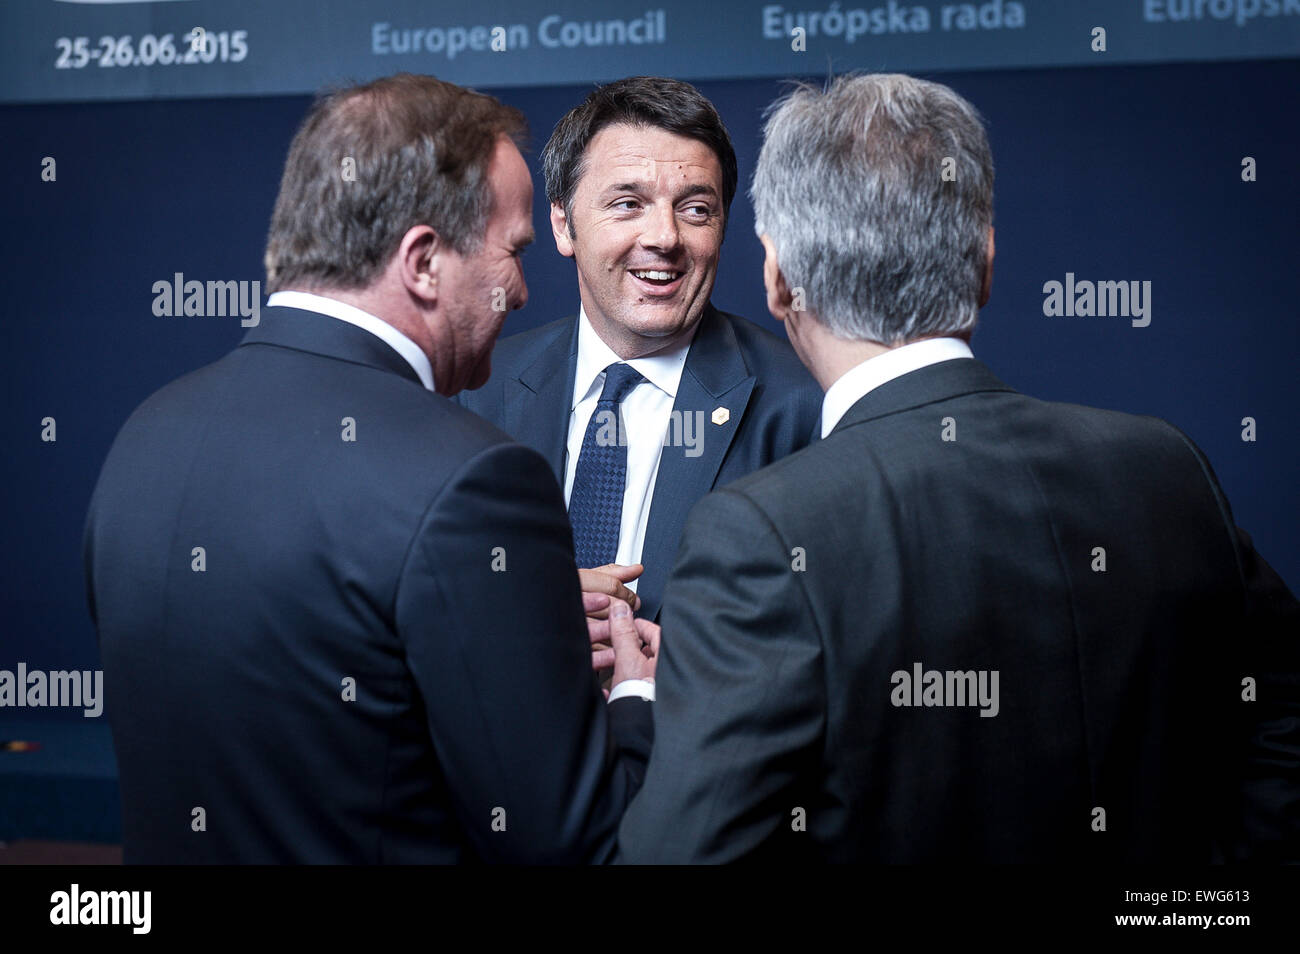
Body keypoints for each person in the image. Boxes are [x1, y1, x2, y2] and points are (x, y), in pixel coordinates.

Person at [617, 73, 1300, 863]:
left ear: (777, 279)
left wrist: (643, 704)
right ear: (985, 260)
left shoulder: (758, 536)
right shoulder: (1168, 469)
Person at [84, 73, 658, 865]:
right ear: (423, 262)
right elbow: (578, 844)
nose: (524, 292)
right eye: (515, 252)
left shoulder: (146, 436)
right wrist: (636, 695)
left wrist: (512, 611)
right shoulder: (475, 479)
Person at [460, 76, 822, 625]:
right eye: (628, 204)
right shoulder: (477, 394)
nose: (665, 238)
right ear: (564, 226)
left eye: (695, 209)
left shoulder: (802, 408)